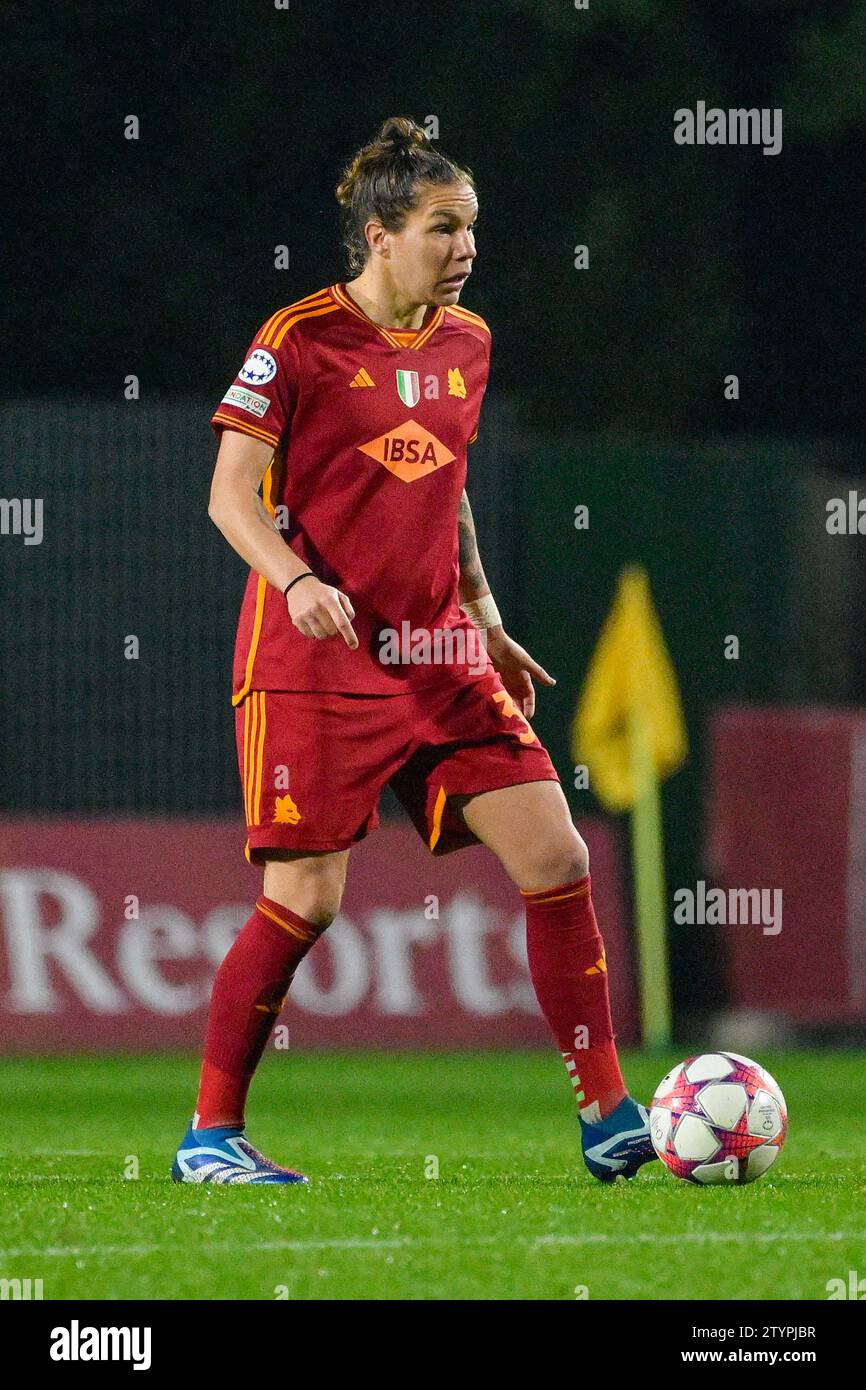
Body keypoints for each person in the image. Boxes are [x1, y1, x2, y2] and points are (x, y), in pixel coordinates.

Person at [172, 116, 655, 1186]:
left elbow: (446, 486)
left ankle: (609, 1115)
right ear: (381, 234)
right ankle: (211, 1137)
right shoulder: (295, 337)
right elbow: (228, 496)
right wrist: (296, 582)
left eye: (472, 227)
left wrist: (481, 614)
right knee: (307, 899)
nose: (466, 247)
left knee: (557, 857)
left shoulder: (466, 342)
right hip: (316, 659)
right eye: (444, 227)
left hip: (439, 651)